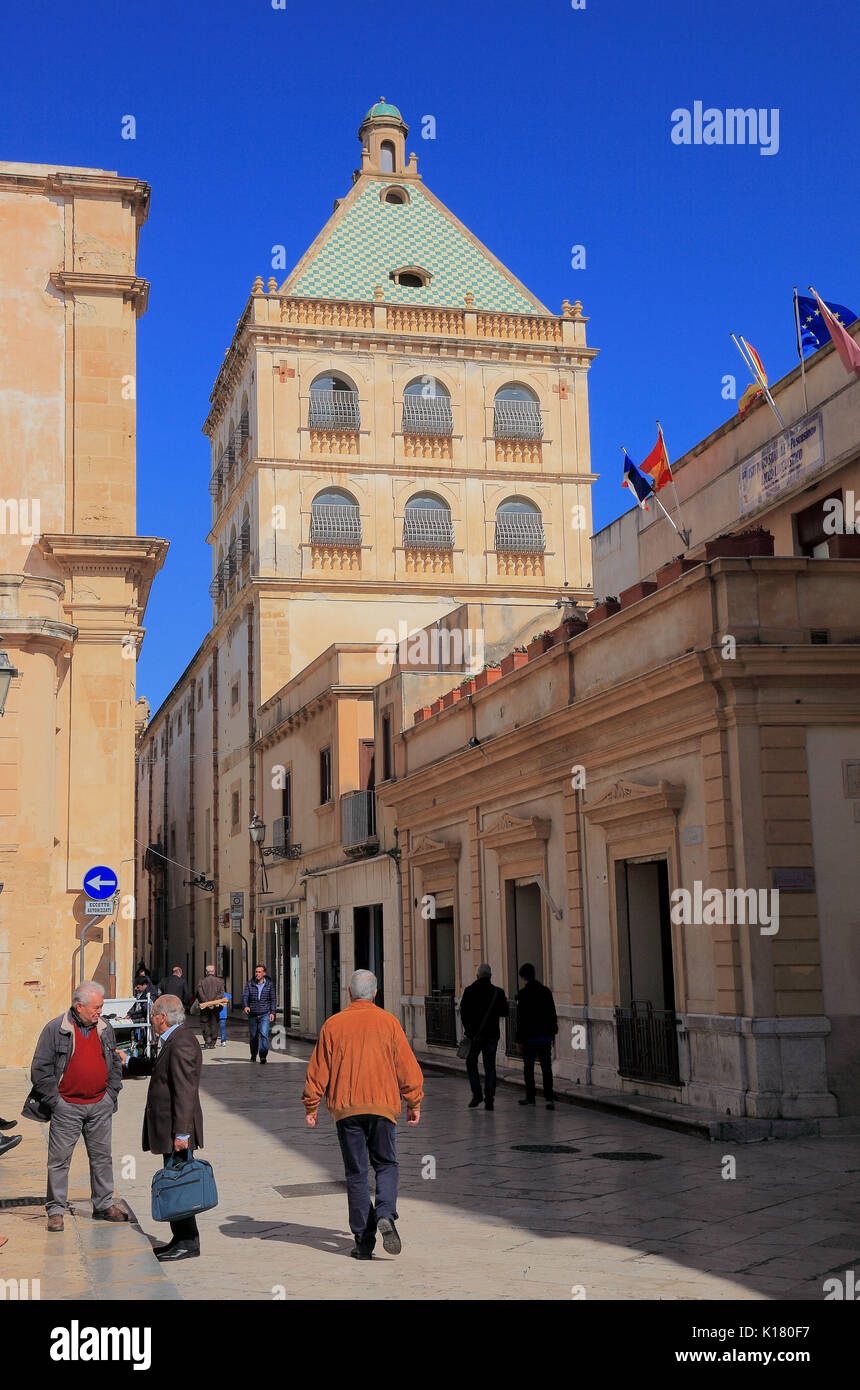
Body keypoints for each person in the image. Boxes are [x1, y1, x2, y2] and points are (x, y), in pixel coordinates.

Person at [302, 969, 423, 1261]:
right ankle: (385, 1213)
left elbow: (319, 1069)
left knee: (356, 1174)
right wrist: (413, 1101)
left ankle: (364, 1240)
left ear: (349, 993)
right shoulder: (389, 1023)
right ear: (376, 993)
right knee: (386, 1163)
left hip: (347, 1110)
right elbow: (407, 1066)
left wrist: (312, 1105)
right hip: (382, 1109)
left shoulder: (333, 1024)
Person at [30, 980, 128, 1232]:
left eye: (101, 1007)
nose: (99, 1011)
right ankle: (55, 1210)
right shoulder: (56, 1029)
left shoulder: (105, 1028)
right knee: (59, 1161)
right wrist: (57, 1102)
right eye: (96, 1007)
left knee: (102, 1158)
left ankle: (104, 1204)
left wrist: (111, 1094)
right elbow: (40, 1070)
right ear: (79, 1006)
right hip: (67, 1107)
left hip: (99, 1105)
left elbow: (114, 1062)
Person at [143, 994, 204, 1262]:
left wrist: (182, 1133)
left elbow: (185, 1091)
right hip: (171, 1128)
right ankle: (179, 1239)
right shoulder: (173, 1040)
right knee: (175, 1182)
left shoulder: (181, 1043)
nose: (152, 1020)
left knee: (180, 1185)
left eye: (153, 1015)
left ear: (162, 1017)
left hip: (177, 1131)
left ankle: (188, 1242)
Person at [459, 963, 508, 1111]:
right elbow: (505, 1012)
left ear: (477, 975)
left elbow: (463, 1013)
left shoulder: (469, 991)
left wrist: (469, 1031)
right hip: (492, 1036)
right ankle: (489, 1099)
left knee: (471, 1063)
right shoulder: (497, 992)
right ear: (490, 976)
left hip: (474, 1037)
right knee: (490, 1067)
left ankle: (477, 1094)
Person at [516, 963, 558, 1109]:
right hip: (544, 1036)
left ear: (522, 977)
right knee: (546, 1067)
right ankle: (548, 1097)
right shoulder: (545, 991)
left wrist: (518, 1040)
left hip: (529, 1038)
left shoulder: (522, 994)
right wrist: (553, 1033)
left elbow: (520, 1019)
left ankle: (531, 1097)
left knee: (528, 1068)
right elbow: (552, 1014)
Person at [242, 963, 276, 1063]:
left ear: (264, 973)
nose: (257, 973)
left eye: (259, 972)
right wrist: (245, 1006)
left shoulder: (269, 985)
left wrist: (272, 1012)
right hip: (252, 1014)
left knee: (264, 1035)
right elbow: (245, 996)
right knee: (253, 1036)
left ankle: (263, 1056)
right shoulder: (250, 984)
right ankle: (253, 1054)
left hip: (265, 1013)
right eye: (256, 972)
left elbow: (273, 999)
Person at [195, 964, 226, 1050]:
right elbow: (221, 993)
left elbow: (200, 994)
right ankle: (213, 1042)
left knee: (204, 1022)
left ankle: (207, 1039)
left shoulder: (201, 981)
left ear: (206, 972)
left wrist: (207, 1003)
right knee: (214, 1023)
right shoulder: (220, 981)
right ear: (214, 972)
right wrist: (213, 1002)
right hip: (216, 1006)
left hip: (205, 1006)